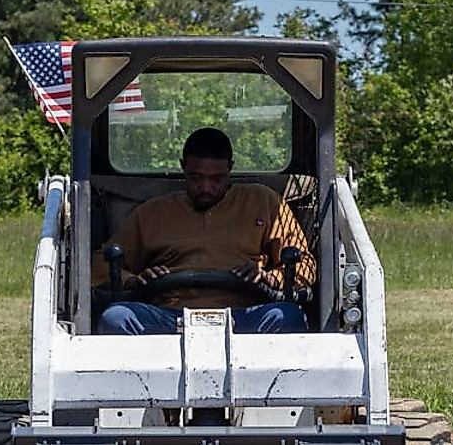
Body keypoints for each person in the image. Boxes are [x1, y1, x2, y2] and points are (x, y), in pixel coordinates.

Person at [94, 127, 316, 336]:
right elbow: (98, 263)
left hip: (246, 316)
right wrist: (132, 280)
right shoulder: (151, 212)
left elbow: (305, 264)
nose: (206, 188)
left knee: (288, 317)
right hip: (167, 316)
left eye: (217, 179)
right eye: (196, 178)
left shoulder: (265, 202)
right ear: (183, 167)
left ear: (230, 168)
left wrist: (270, 278)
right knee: (116, 318)